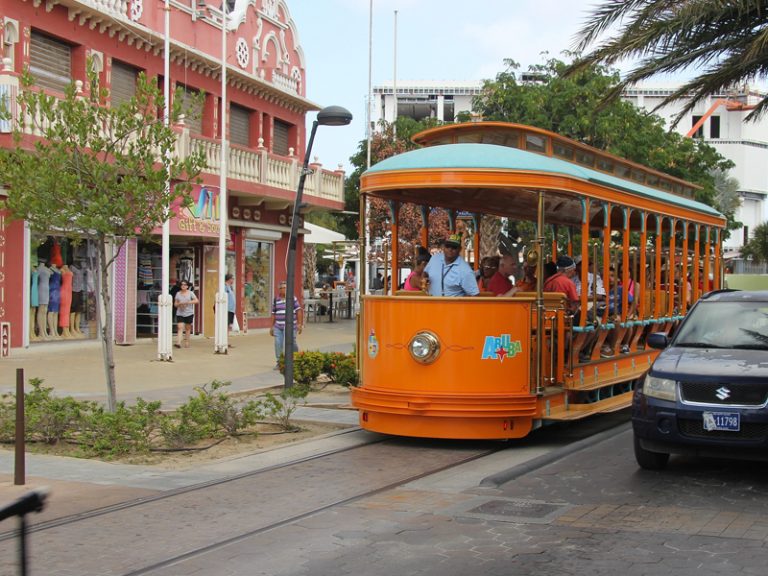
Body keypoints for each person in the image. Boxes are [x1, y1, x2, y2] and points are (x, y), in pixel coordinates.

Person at [270, 280, 304, 370]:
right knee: (278, 343)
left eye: (285, 288)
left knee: (292, 342)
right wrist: (272, 326)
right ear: (279, 289)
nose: (284, 289)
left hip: (291, 326)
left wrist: (300, 324)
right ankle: (279, 362)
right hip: (278, 326)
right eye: (282, 288)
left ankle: (296, 358)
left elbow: (298, 311)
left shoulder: (292, 298)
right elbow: (273, 313)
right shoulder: (276, 299)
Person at [174, 280, 198, 348]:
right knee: (180, 327)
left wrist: (188, 302)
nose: (183, 286)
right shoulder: (178, 294)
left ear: (187, 286)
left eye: (185, 285)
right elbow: (175, 304)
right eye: (182, 284)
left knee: (187, 328)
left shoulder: (190, 293)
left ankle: (187, 342)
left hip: (189, 313)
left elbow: (196, 300)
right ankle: (178, 342)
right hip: (180, 313)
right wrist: (179, 304)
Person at [225, 273, 236, 345]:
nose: (233, 280)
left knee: (229, 326)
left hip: (231, 309)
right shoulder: (224, 286)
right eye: (232, 278)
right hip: (227, 309)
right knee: (226, 325)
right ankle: (224, 341)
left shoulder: (230, 287)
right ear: (229, 279)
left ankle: (226, 341)